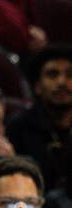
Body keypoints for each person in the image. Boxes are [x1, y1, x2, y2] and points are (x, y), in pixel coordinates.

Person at [8, 44, 72, 190]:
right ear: (37, 86)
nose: (62, 82)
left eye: (70, 75)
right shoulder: (18, 128)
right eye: (52, 74)